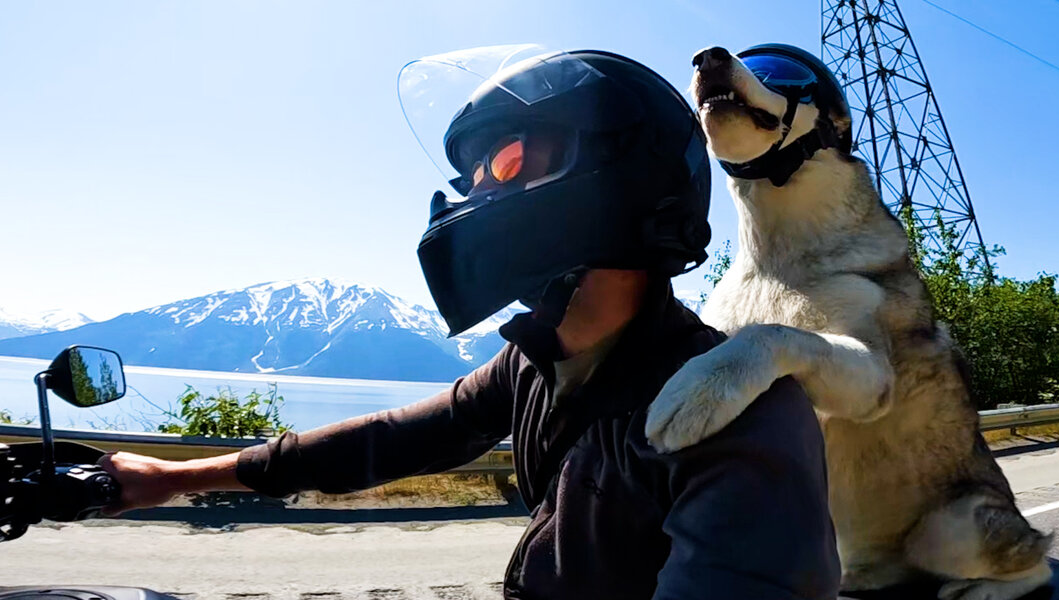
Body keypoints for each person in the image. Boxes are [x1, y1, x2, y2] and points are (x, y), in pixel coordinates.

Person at [99, 48, 841, 600]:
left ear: (621, 173)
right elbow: (388, 439)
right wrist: (170, 476)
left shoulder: (739, 411)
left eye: (508, 163)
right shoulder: (533, 364)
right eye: (472, 177)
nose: (477, 196)